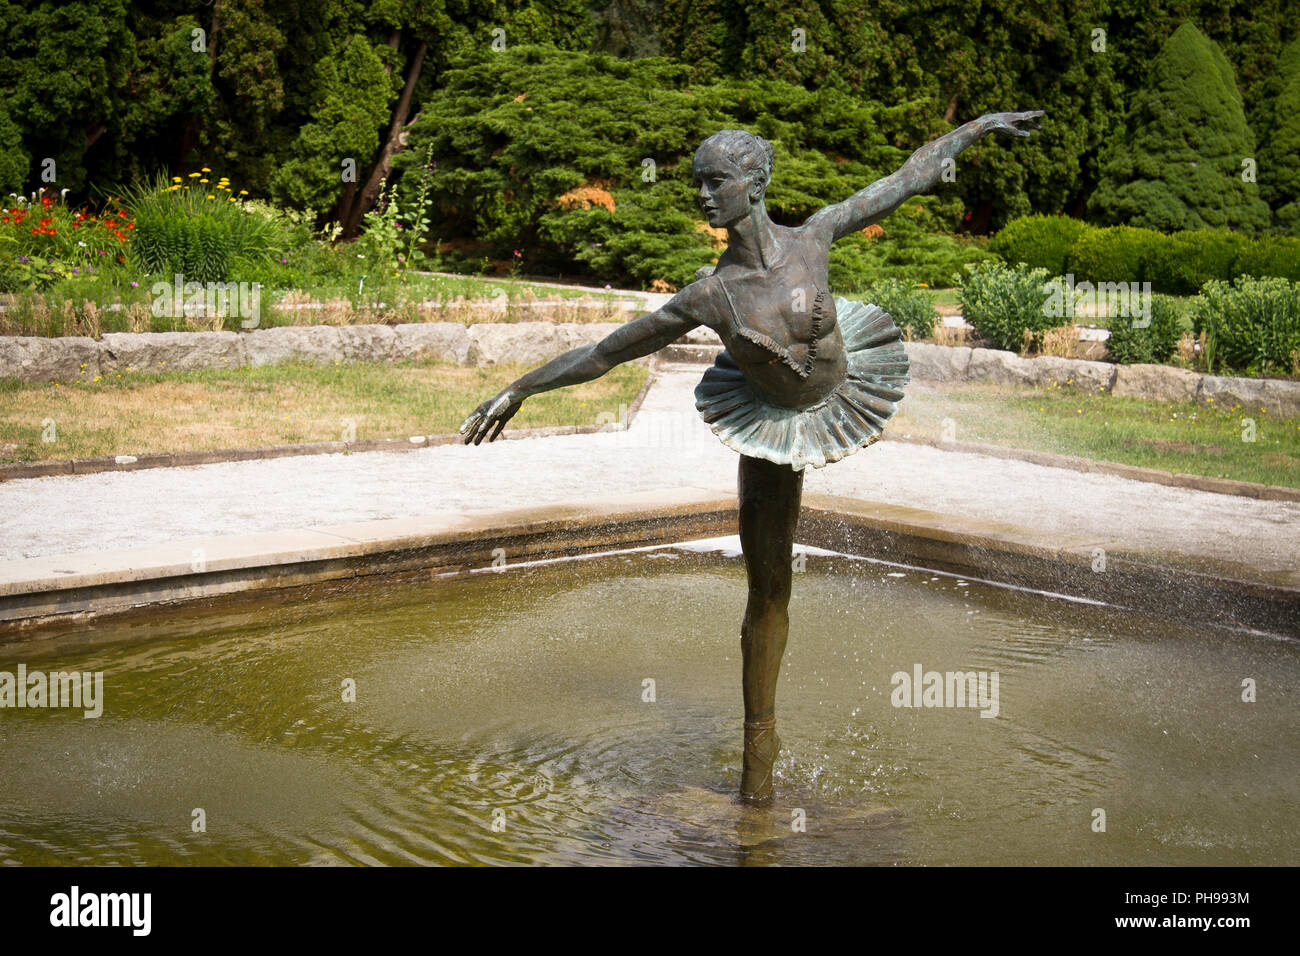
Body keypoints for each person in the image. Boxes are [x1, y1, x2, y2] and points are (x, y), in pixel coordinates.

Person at [460, 111, 1043, 803]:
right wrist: (519, 387)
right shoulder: (710, 294)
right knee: (768, 586)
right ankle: (758, 756)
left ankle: (758, 771)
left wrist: (978, 128)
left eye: (716, 182)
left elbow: (909, 178)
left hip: (844, 387)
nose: (703, 195)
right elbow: (604, 351)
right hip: (771, 422)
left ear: (755, 184)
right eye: (697, 184)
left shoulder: (816, 235)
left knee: (776, 579)